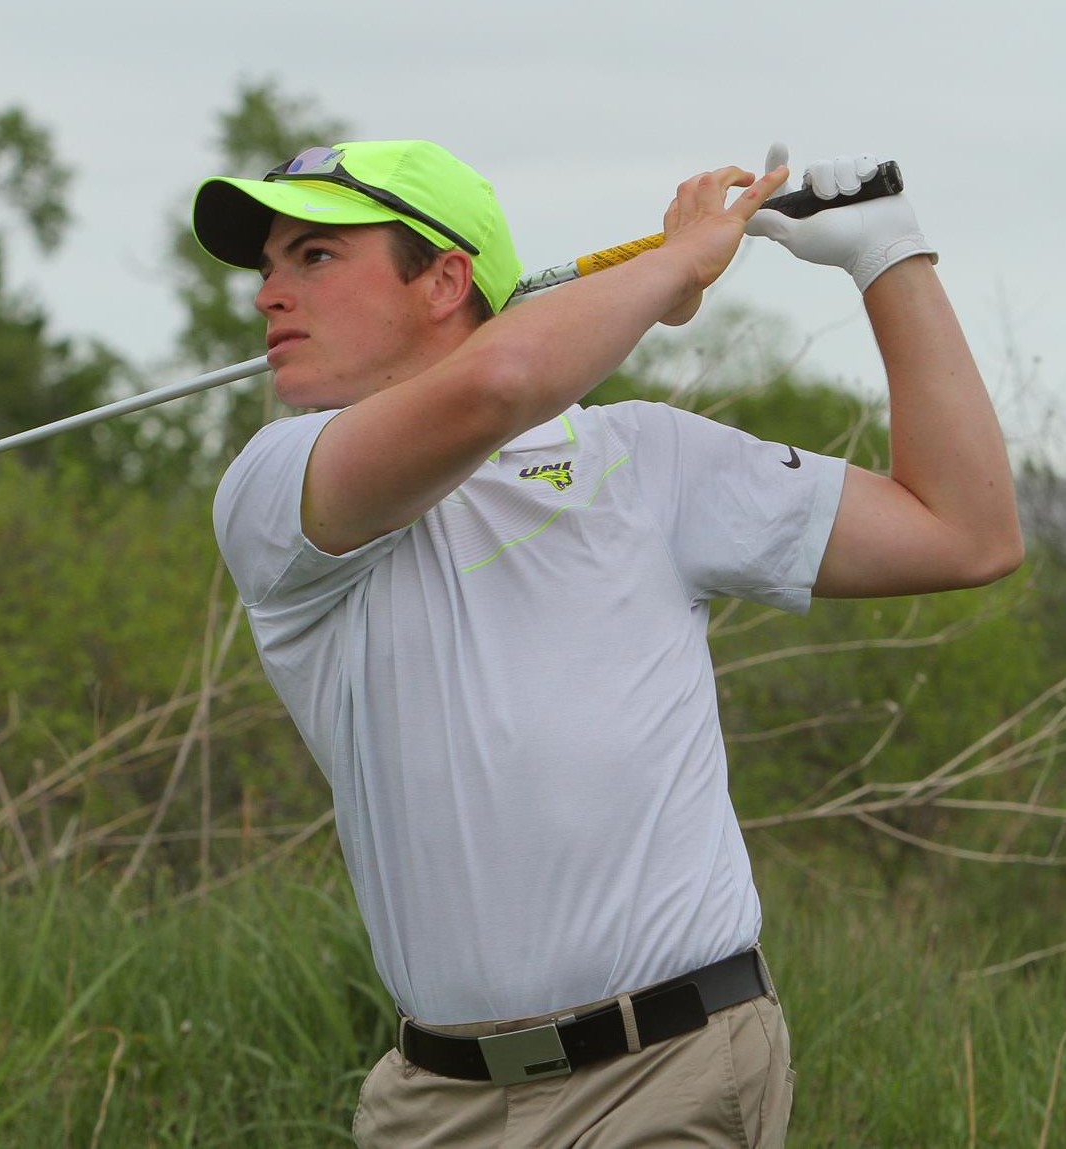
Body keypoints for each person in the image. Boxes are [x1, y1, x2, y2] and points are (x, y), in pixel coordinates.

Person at [190, 139, 1022, 1147]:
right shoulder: (275, 486)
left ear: (446, 279)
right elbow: (499, 384)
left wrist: (888, 256)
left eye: (313, 256)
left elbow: (967, 530)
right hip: (434, 1104)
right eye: (269, 266)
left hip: (674, 1070)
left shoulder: (645, 461)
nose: (269, 296)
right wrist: (676, 263)